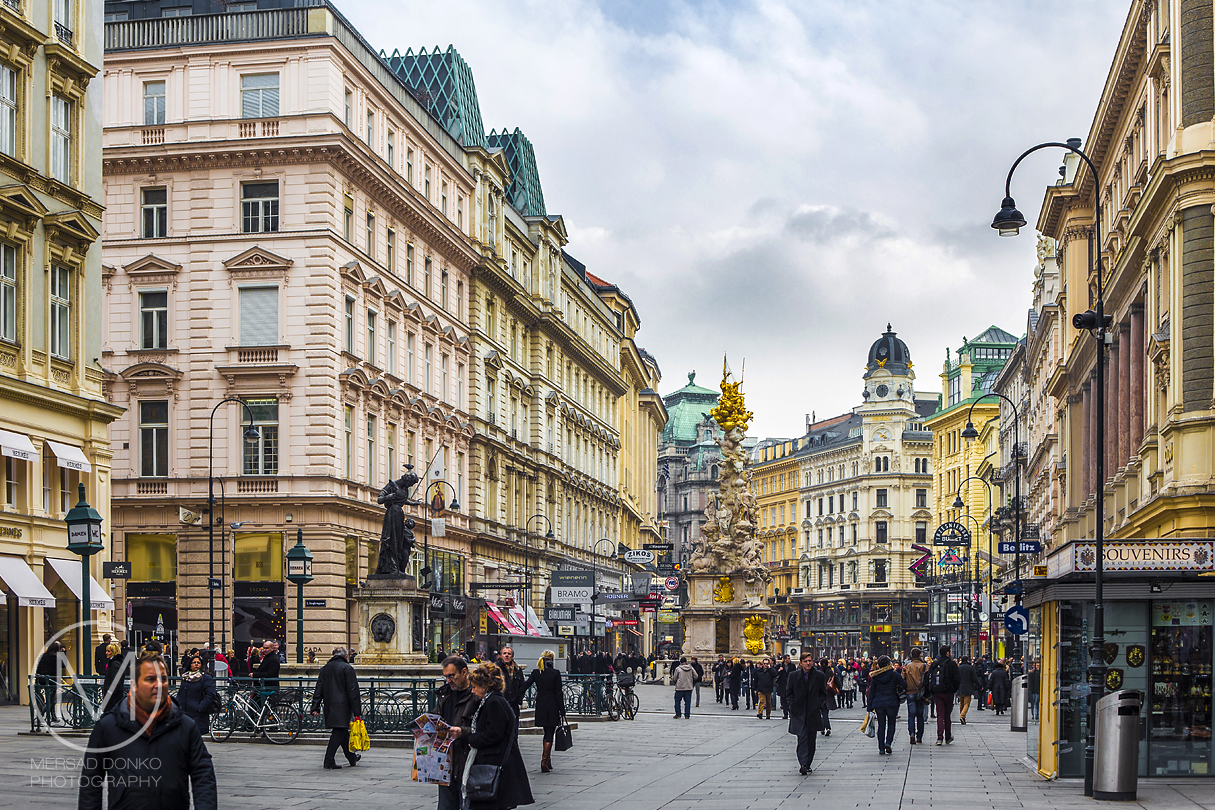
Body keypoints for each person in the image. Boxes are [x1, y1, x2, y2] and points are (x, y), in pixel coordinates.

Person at [78, 651, 217, 810]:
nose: (158, 685)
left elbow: (203, 774)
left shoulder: (186, 726)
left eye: (163, 679)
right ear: (134, 685)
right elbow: (91, 782)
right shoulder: (108, 726)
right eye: (150, 679)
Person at [450, 663, 534, 810]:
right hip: (499, 764)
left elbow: (494, 734)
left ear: (485, 686)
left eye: (475, 687)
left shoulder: (494, 702)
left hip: (495, 764)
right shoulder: (495, 700)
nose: (473, 691)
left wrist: (472, 739)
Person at [309, 647, 362, 770]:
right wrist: (357, 712)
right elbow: (353, 691)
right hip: (343, 706)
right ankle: (329, 760)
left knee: (342, 731)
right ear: (346, 656)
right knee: (338, 732)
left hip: (330, 705)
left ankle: (352, 757)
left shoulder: (325, 669)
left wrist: (315, 706)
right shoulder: (347, 668)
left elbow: (318, 689)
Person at [437, 656, 477, 810]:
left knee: (466, 804)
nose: (448, 680)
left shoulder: (476, 694)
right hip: (445, 760)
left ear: (464, 672)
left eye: (452, 676)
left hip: (467, 759)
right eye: (446, 677)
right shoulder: (445, 694)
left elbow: (485, 729)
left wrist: (462, 732)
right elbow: (437, 716)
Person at [786, 652, 828, 775]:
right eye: (805, 661)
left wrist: (818, 704)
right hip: (799, 712)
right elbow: (789, 692)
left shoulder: (819, 676)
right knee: (802, 737)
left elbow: (823, 693)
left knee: (811, 739)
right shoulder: (793, 676)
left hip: (812, 712)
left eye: (809, 661)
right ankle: (803, 763)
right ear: (801, 663)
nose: (808, 663)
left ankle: (808, 763)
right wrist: (792, 706)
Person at [521, 650, 562, 773]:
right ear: (552, 659)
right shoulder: (555, 673)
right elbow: (559, 693)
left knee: (546, 731)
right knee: (550, 733)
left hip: (541, 705)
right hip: (553, 705)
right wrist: (562, 710)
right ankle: (544, 760)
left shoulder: (536, 672)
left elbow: (526, 685)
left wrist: (516, 697)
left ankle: (547, 759)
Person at [865, 655, 906, 756]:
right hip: (892, 702)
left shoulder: (875, 676)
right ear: (888, 664)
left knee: (881, 725)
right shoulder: (894, 674)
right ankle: (888, 742)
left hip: (879, 703)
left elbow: (872, 692)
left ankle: (881, 748)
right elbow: (904, 685)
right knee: (891, 723)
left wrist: (869, 707)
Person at [176, 655, 220, 734]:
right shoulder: (186, 678)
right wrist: (177, 706)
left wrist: (200, 707)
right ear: (190, 664)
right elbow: (180, 694)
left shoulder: (205, 678)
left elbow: (210, 694)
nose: (196, 664)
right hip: (184, 714)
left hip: (198, 715)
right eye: (194, 662)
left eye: (198, 663)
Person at [926, 646, 961, 745]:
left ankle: (939, 737)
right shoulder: (952, 664)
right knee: (947, 715)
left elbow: (929, 676)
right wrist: (954, 689)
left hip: (937, 692)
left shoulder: (934, 664)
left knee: (940, 714)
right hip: (949, 692)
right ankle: (948, 736)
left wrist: (931, 689)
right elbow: (957, 679)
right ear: (947, 653)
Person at [35, 641, 63, 725]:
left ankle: (53, 716)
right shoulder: (56, 657)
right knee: (51, 699)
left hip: (42, 680)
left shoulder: (43, 656)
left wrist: (37, 679)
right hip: (52, 680)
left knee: (51, 699)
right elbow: (64, 665)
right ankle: (42, 714)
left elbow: (38, 668)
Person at [903, 648, 927, 745]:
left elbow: (903, 679)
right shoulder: (924, 666)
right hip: (921, 692)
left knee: (911, 714)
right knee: (920, 715)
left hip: (910, 692)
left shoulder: (907, 666)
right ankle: (919, 736)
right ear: (920, 655)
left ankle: (912, 733)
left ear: (911, 655)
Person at [496, 647, 527, 718]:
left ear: (512, 656)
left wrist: (518, 699)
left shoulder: (517, 670)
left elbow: (522, 686)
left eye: (509, 654)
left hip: (514, 705)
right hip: (500, 704)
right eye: (504, 653)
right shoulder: (496, 668)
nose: (506, 655)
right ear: (501, 656)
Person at [101, 641, 130, 714]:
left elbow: (116, 679)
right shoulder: (114, 663)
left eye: (109, 651)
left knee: (110, 712)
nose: (106, 653)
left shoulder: (114, 664)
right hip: (113, 693)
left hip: (113, 695)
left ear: (113, 652)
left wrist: (110, 692)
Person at [957, 656, 980, 724]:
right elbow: (974, 678)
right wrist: (979, 686)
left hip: (960, 687)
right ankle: (962, 716)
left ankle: (962, 717)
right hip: (968, 688)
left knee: (961, 703)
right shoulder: (970, 668)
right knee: (967, 703)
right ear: (967, 660)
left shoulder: (958, 668)